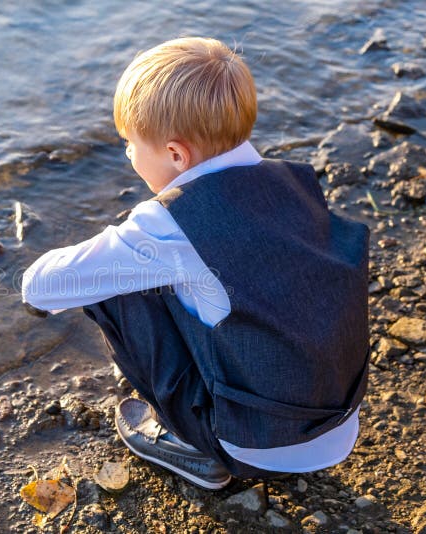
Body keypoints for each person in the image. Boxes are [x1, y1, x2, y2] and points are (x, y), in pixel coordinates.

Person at [21, 37, 370, 490]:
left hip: (255, 445)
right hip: (338, 419)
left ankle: (197, 449)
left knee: (116, 285)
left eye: (130, 143)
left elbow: (39, 286)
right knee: (194, 278)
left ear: (175, 155)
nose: (127, 154)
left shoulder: (166, 224)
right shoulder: (294, 180)